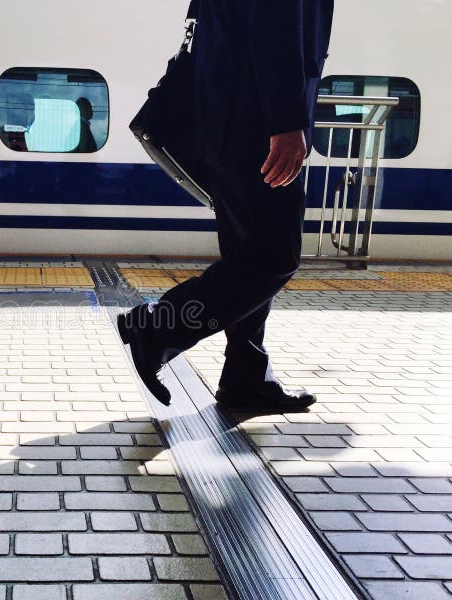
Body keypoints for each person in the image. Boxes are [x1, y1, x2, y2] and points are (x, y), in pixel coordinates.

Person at [118, 0, 335, 409]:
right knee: (274, 257)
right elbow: (275, 24)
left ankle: (245, 378)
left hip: (228, 117)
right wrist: (287, 122)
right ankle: (157, 328)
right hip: (254, 123)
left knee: (249, 253)